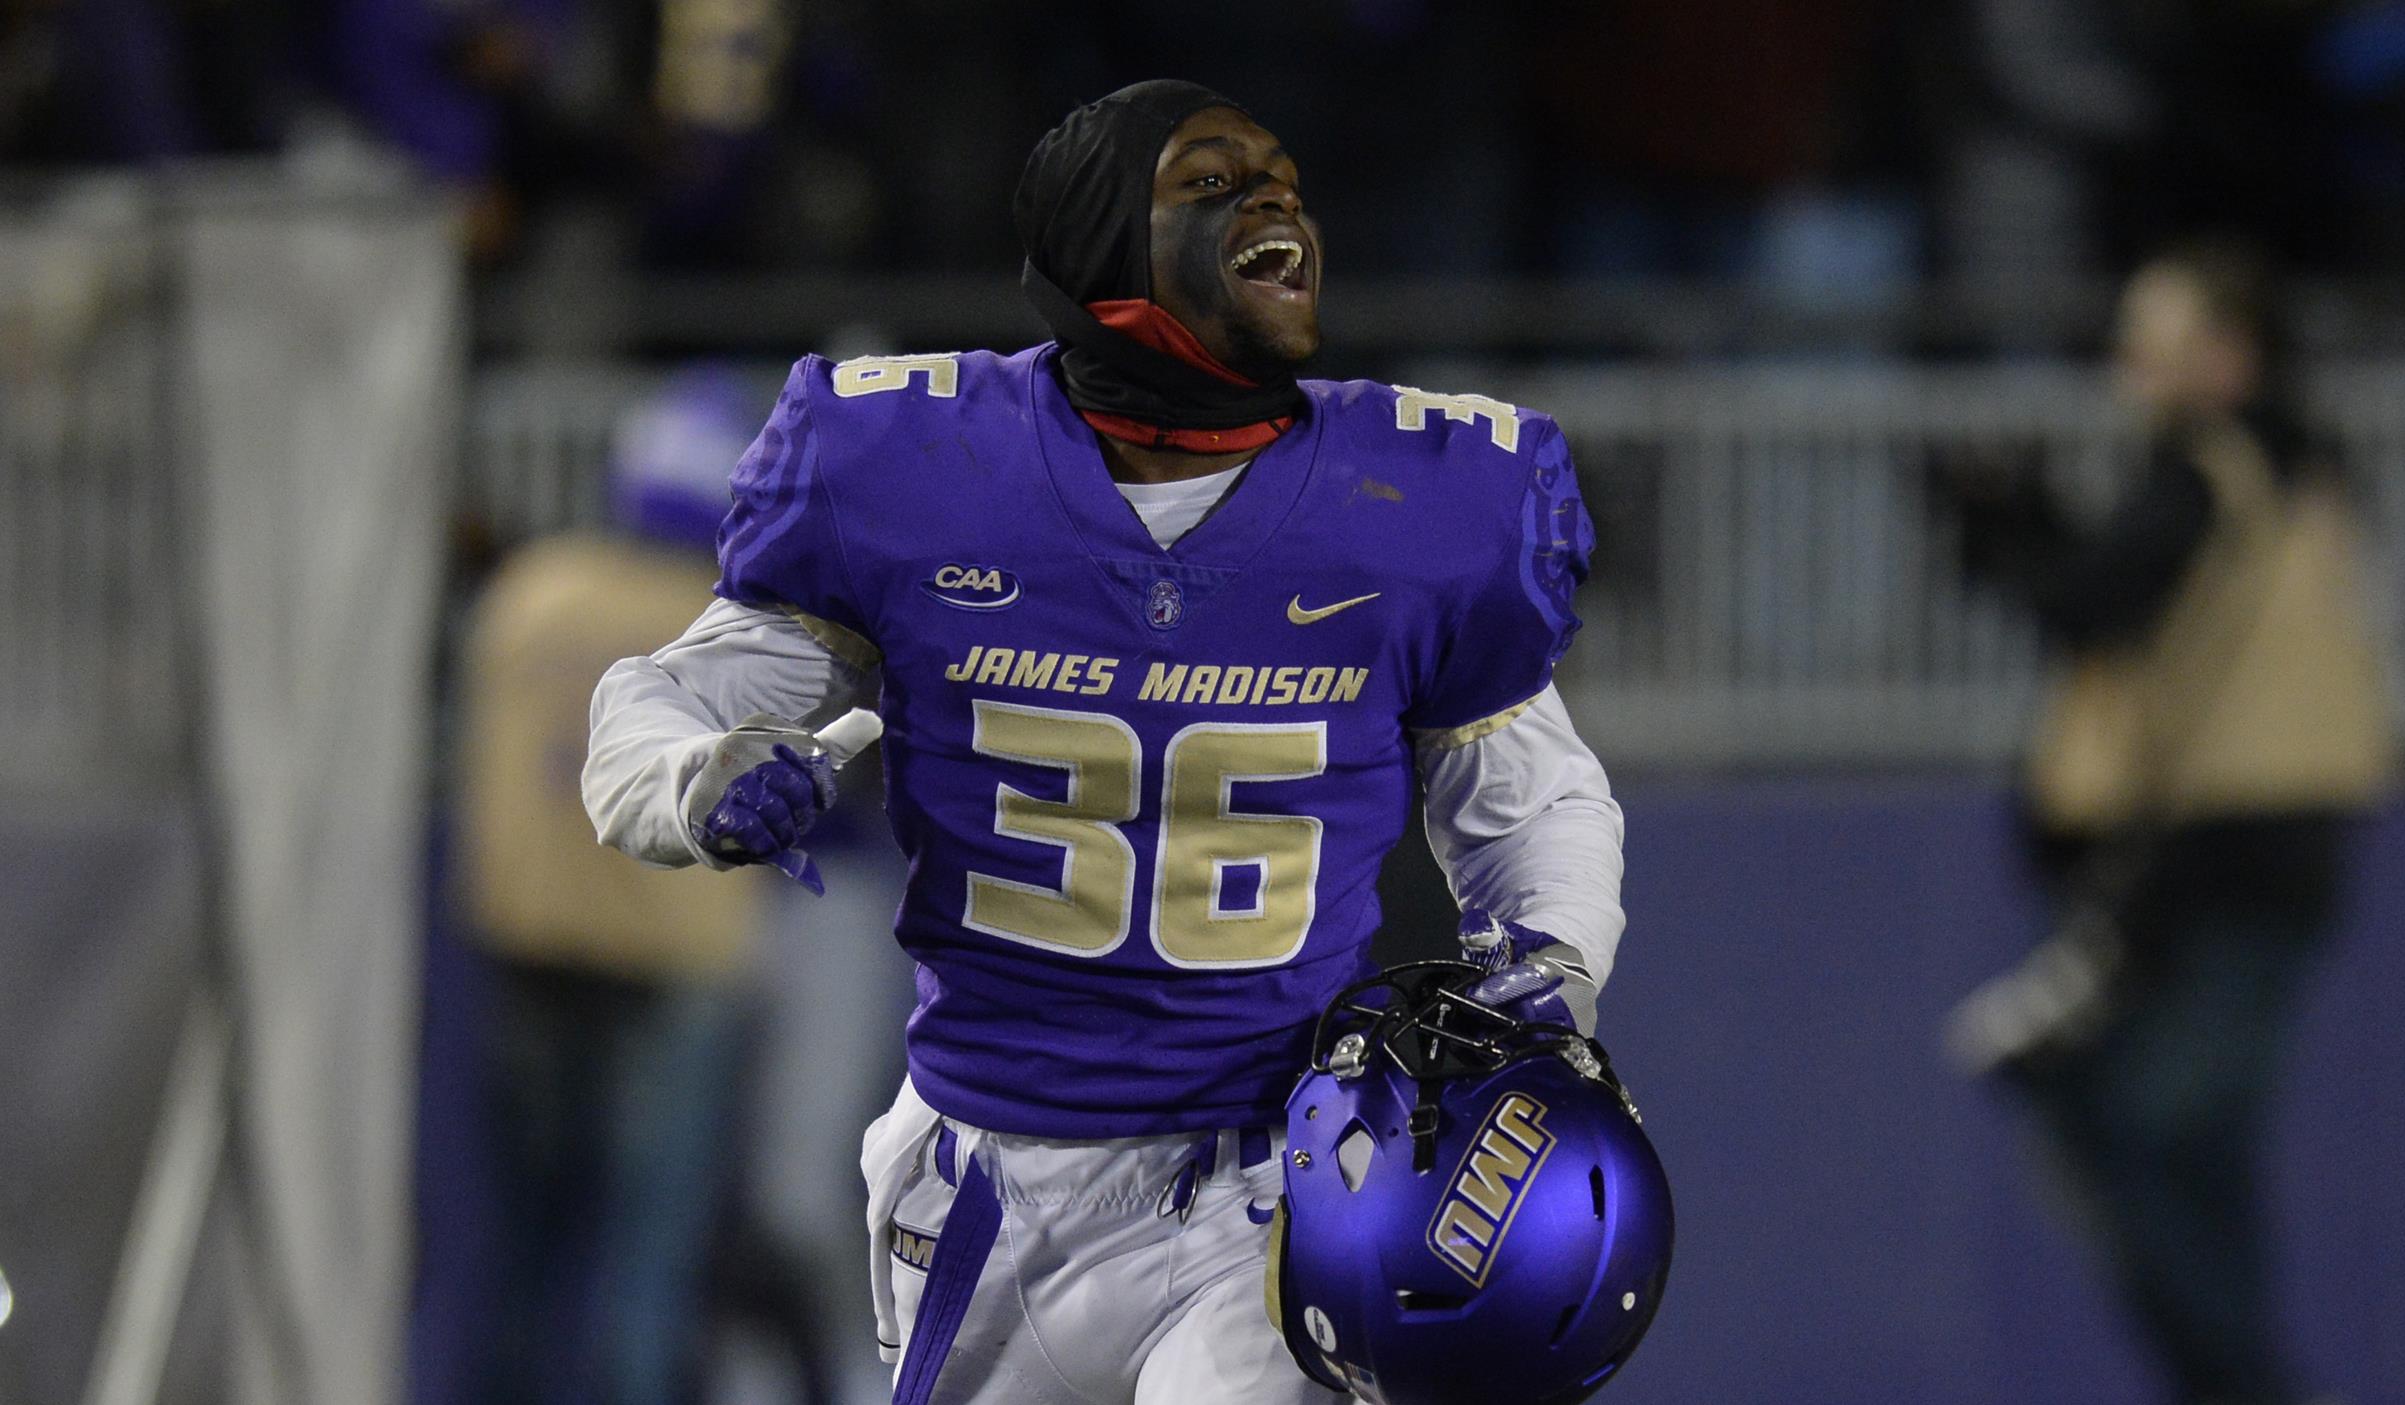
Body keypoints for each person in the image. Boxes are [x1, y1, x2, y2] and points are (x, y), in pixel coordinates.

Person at [581, 80, 1625, 1404]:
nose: (1279, 205)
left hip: (1268, 1175)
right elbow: (662, 699)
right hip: (986, 1172)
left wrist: (1554, 959)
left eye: (1287, 180)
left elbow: (1532, 792)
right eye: (1215, 183)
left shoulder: (1410, 499)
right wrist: (697, 779)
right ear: (1096, 242)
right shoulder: (914, 464)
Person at [1937, 240, 2392, 1405]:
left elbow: (2096, 598)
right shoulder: (2258, 469)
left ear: (2228, 357)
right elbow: (2113, 600)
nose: (2130, 360)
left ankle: (2242, 1388)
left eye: (2160, 337)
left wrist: (1998, 520)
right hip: (2221, 857)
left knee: (2137, 1125)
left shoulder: (2210, 469)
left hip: (2223, 857)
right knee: (2180, 1142)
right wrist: (2024, 521)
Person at [454, 366, 770, 1405]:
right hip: (668, 982)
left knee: (516, 1258)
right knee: (639, 1275)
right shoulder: (741, 640)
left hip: (530, 960)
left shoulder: (535, 591)